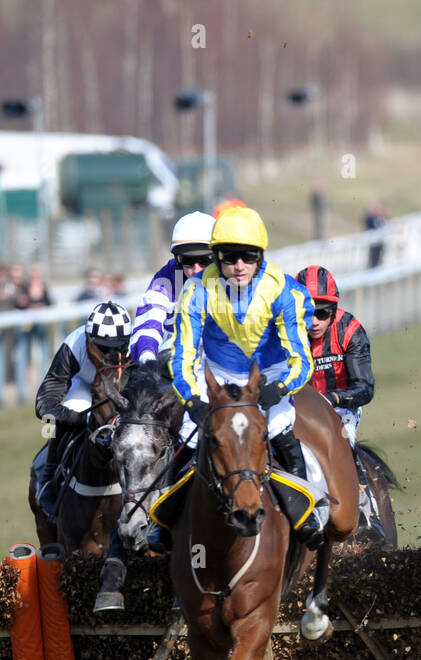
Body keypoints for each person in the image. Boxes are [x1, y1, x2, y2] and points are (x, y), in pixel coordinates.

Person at [163, 206, 323, 548]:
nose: (239, 266)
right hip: (218, 375)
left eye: (248, 257)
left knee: (279, 423)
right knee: (190, 433)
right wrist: (191, 399)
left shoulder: (286, 291)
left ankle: (303, 510)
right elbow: (184, 356)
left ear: (260, 256)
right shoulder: (196, 291)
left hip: (270, 374)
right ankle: (165, 519)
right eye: (229, 256)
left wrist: (280, 387)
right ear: (216, 256)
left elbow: (301, 360)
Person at [295, 264, 385, 537]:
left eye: (322, 313)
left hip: (341, 407)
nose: (314, 321)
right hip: (297, 410)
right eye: (307, 312)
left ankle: (368, 512)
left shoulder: (350, 330)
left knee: (345, 440)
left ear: (334, 310)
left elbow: (365, 388)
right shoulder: (284, 333)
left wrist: (330, 398)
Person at [32, 302, 134, 520]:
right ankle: (49, 477)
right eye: (104, 348)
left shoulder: (136, 347)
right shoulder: (73, 345)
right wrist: (73, 418)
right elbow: (44, 403)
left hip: (121, 390)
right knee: (74, 407)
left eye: (119, 347)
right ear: (89, 341)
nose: (112, 355)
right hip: (85, 388)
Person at [130, 211, 217, 365]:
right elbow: (149, 321)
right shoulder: (166, 278)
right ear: (177, 259)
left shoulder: (234, 272)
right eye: (187, 260)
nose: (196, 270)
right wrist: (147, 356)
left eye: (205, 260)